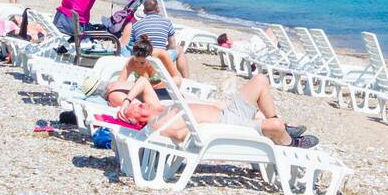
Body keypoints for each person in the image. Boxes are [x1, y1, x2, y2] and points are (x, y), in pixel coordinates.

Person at [117, 72, 311, 147]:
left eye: (138, 102)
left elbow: (142, 81)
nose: (141, 103)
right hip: (225, 125)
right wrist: (198, 125)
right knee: (275, 126)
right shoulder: (157, 124)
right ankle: (291, 142)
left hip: (228, 113)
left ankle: (284, 128)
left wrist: (126, 102)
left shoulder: (159, 108)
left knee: (260, 80)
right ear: (138, 121)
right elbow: (178, 134)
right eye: (137, 108)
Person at [124, 0, 190, 78]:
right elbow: (172, 45)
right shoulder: (166, 22)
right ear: (158, 9)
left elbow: (131, 44)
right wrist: (163, 49)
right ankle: (186, 79)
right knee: (179, 49)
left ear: (144, 11)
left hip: (142, 58)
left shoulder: (136, 25)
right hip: (161, 58)